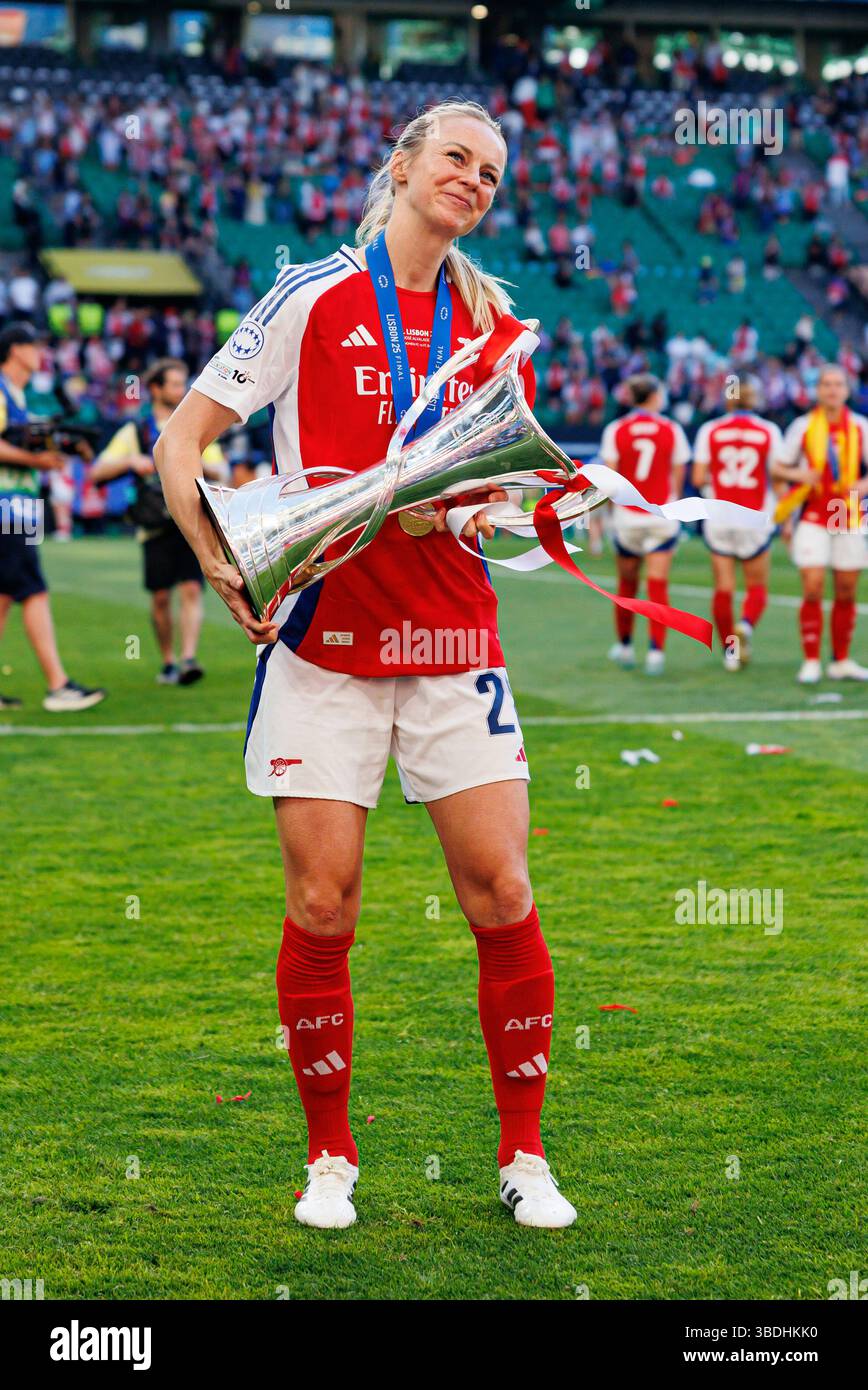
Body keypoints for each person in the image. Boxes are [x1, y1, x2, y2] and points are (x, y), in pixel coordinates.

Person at [154, 101, 577, 1231]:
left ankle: (525, 1156)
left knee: (503, 894)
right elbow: (180, 441)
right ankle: (330, 1158)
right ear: (402, 164)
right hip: (323, 649)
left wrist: (492, 513)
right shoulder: (311, 297)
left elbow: (499, 483)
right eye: (456, 158)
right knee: (323, 905)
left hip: (451, 644)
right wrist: (216, 560)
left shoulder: (495, 325)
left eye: (490, 172)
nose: (473, 181)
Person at [91, 358, 227, 685]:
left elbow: (222, 472)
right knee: (161, 596)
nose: (183, 391)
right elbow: (98, 471)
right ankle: (168, 661)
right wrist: (131, 461)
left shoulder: (194, 426)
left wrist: (187, 455)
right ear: (155, 389)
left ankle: (188, 658)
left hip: (190, 519)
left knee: (192, 588)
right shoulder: (135, 430)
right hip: (154, 524)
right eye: (176, 384)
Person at [0, 322, 106, 711]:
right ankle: (58, 686)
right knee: (34, 589)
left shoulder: (17, 395)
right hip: (8, 506)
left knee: (6, 594)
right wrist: (37, 459)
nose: (40, 353)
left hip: (18, 504)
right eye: (33, 346)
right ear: (15, 349)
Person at [772, 365, 868, 683]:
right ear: (818, 390)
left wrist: (862, 487)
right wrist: (800, 476)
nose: (832, 390)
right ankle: (811, 659)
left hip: (847, 515)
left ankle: (841, 660)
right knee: (812, 588)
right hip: (812, 514)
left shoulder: (859, 426)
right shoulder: (802, 426)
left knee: (846, 590)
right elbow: (778, 468)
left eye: (838, 384)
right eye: (826, 384)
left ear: (846, 390)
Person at [600, 374, 690, 675]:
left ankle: (625, 646)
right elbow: (678, 474)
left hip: (628, 518)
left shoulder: (616, 429)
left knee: (627, 584)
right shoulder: (672, 429)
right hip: (661, 516)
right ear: (653, 397)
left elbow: (611, 478)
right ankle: (656, 652)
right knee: (657, 587)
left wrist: (611, 516)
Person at [692, 377, 782, 671]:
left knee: (724, 587)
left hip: (720, 516)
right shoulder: (769, 431)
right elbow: (777, 477)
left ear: (728, 399)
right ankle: (745, 625)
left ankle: (730, 653)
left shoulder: (710, 430)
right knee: (757, 586)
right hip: (754, 516)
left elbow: (697, 478)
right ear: (754, 399)